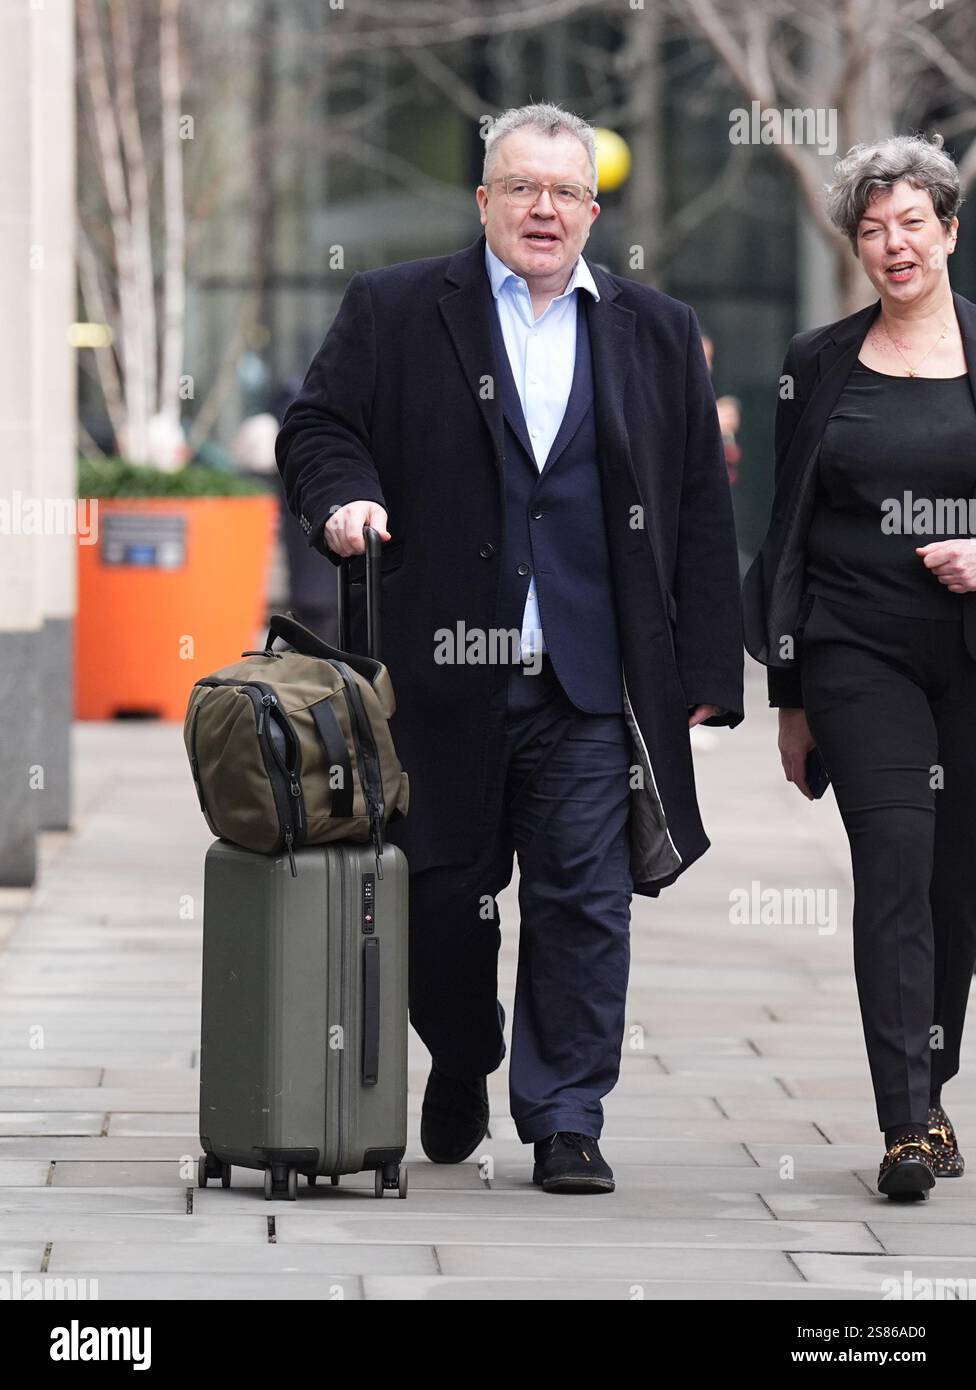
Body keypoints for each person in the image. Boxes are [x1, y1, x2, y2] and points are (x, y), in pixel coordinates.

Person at [276, 101, 743, 1194]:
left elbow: (694, 507)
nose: (544, 209)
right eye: (521, 188)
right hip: (435, 676)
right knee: (440, 897)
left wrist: (705, 672)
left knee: (584, 898)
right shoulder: (395, 308)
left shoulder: (654, 327)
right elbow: (318, 426)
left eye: (565, 192)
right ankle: (462, 1051)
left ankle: (565, 1113)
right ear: (482, 200)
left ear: (593, 208)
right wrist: (344, 501)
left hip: (588, 677)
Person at [743, 133, 976, 1200]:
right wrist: (788, 694)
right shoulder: (815, 361)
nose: (893, 244)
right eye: (873, 228)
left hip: (965, 656)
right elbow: (787, 525)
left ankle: (931, 1078)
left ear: (948, 232)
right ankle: (904, 1123)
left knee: (951, 883)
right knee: (892, 862)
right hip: (854, 648)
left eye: (911, 224)